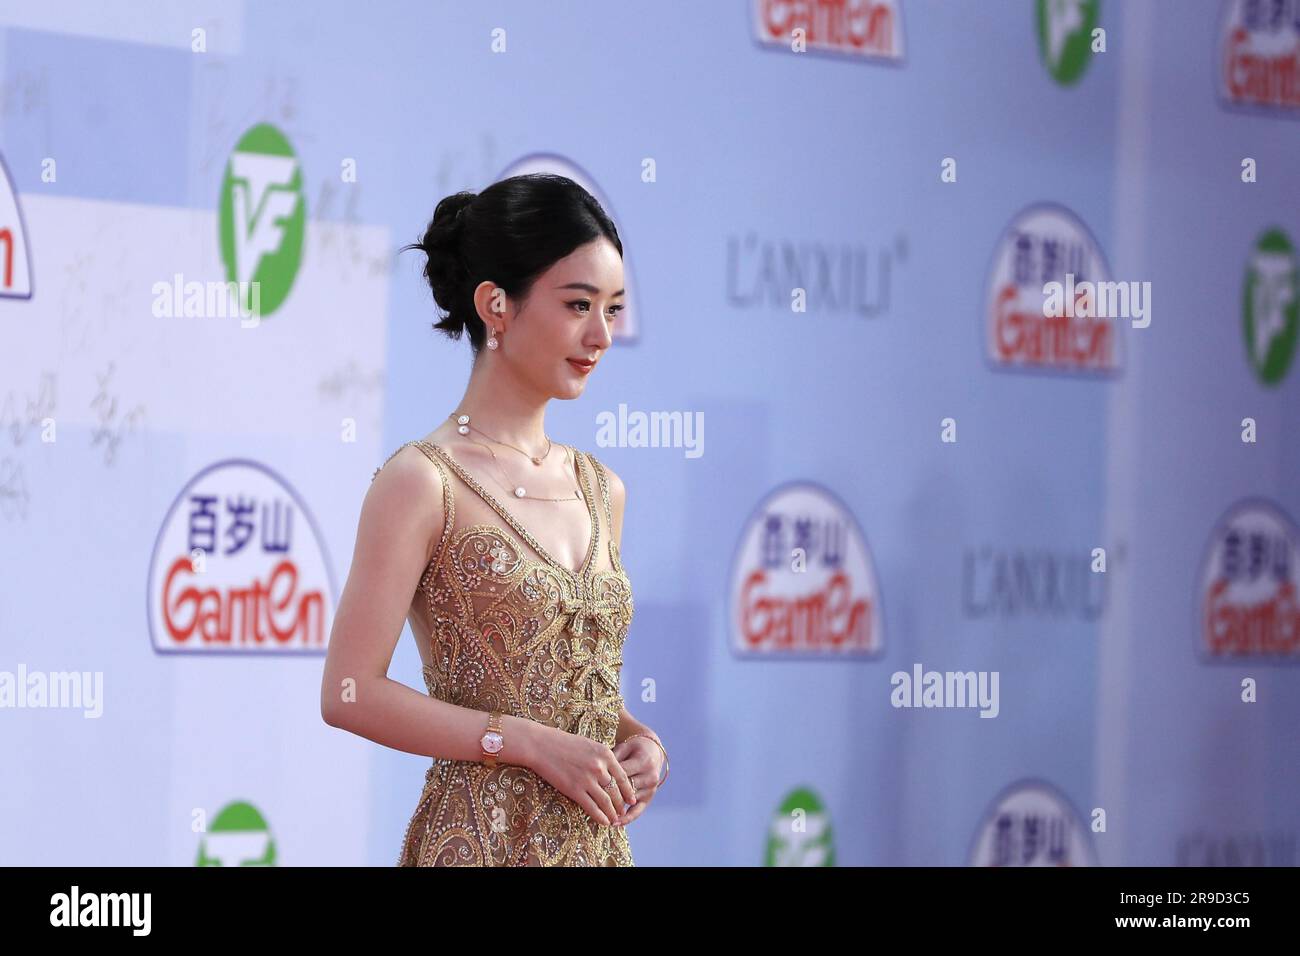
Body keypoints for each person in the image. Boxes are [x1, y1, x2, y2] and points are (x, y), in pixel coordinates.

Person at [320, 173, 667, 866]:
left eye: (613, 308)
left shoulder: (603, 490)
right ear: (496, 306)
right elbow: (348, 693)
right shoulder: (422, 482)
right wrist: (524, 743)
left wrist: (637, 739)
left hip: (596, 848)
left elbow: (579, 685)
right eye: (578, 305)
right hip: (477, 844)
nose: (601, 334)